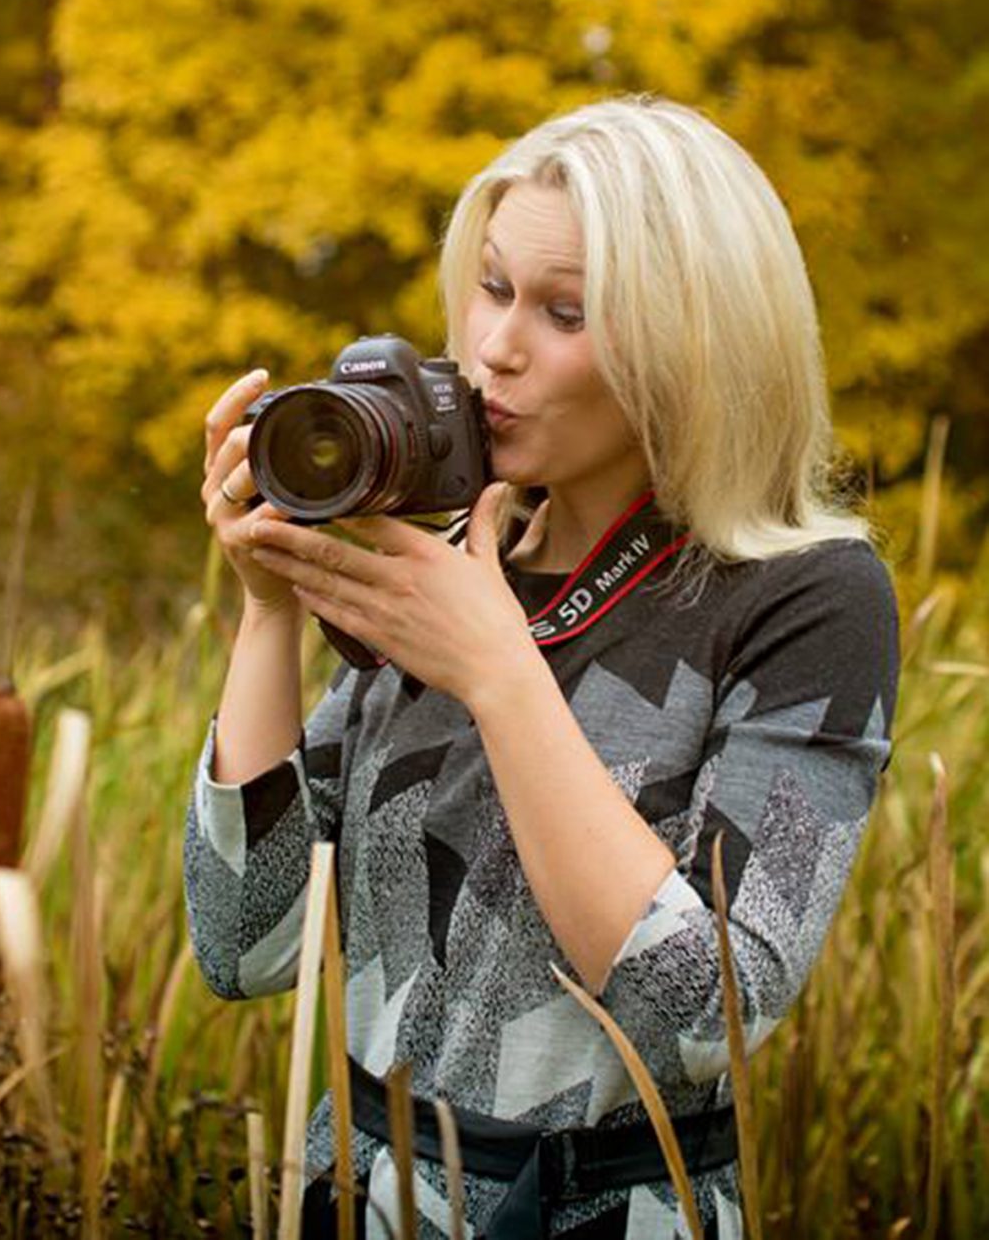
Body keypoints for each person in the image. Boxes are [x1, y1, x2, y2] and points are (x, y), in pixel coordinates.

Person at [185, 95, 900, 1239]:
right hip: (354, 1198)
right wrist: (269, 605)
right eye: (493, 287)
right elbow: (242, 939)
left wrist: (497, 673)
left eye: (565, 311)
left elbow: (702, 1013)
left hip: (596, 1211)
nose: (492, 349)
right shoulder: (461, 548)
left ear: (691, 342)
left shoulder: (803, 597)